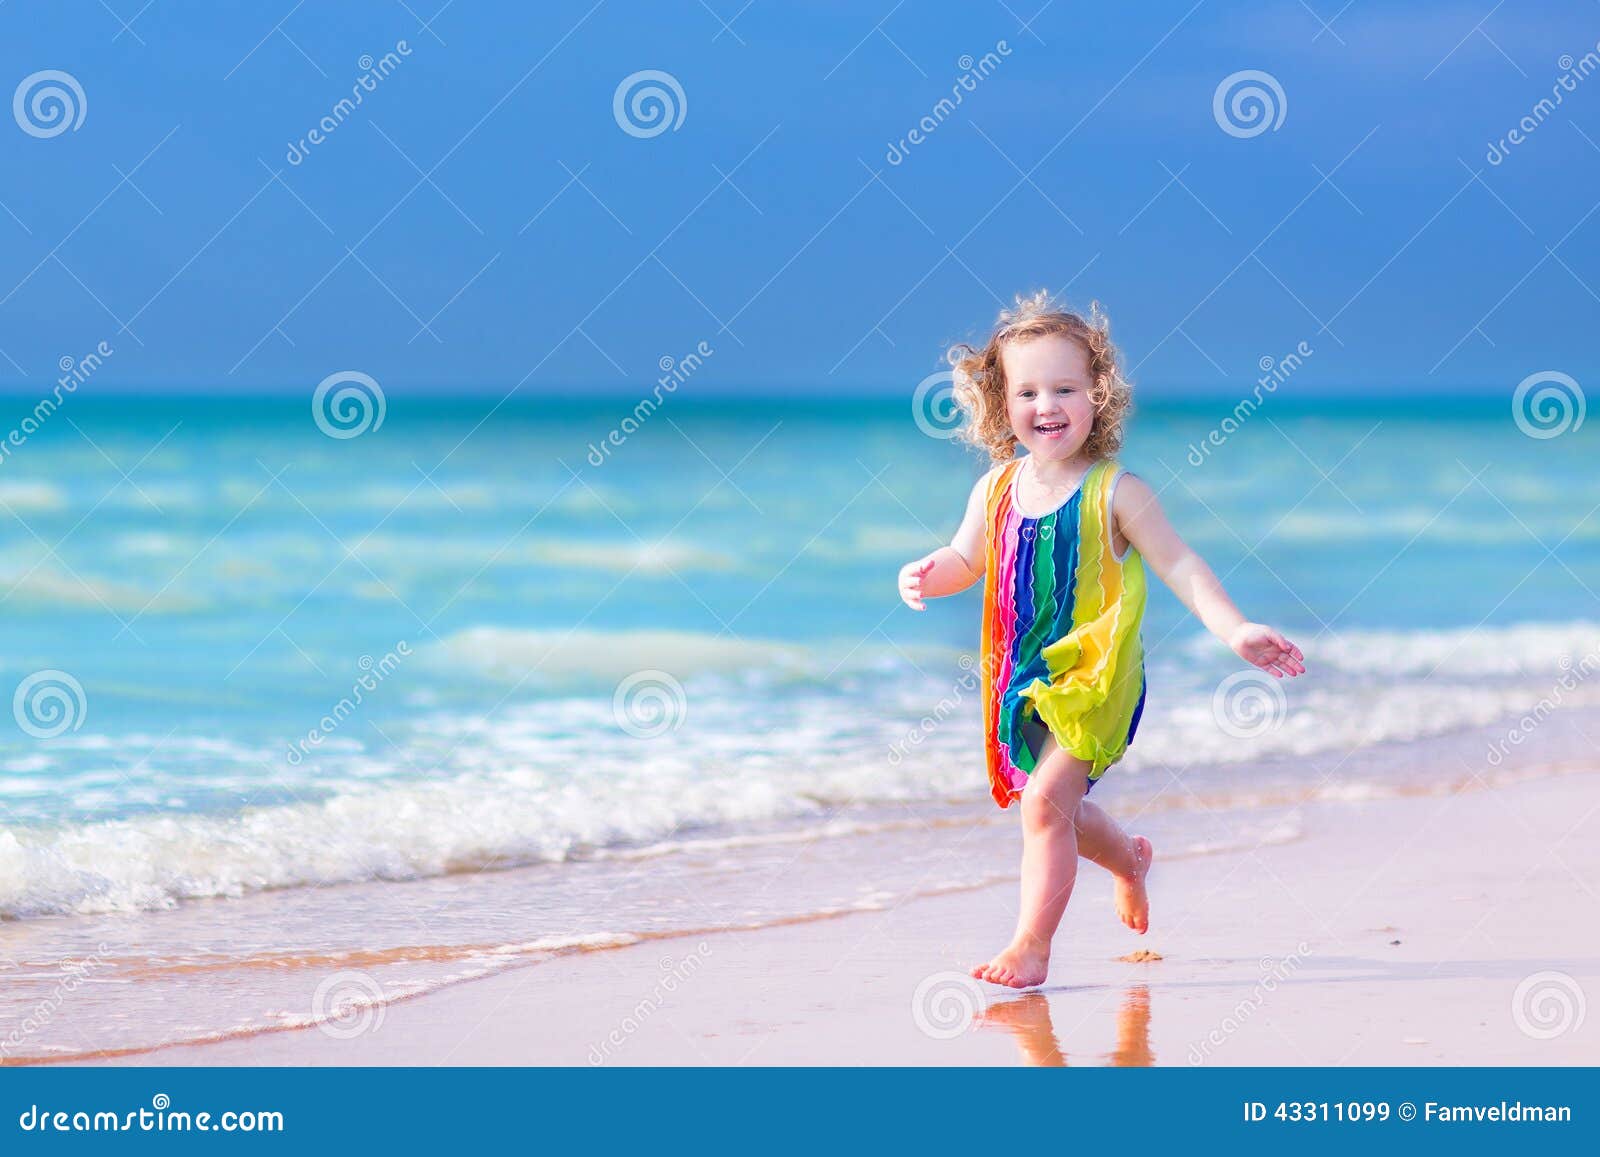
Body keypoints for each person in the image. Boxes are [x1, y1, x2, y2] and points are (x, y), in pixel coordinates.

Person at [897, 292, 1305, 989]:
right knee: (1056, 804)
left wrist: (1235, 628)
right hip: (1025, 673)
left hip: (1099, 673)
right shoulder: (995, 488)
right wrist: (928, 575)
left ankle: (1032, 945)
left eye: (1064, 387)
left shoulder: (1117, 491)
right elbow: (966, 560)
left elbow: (1179, 563)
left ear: (1098, 395)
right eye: (1027, 390)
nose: (1046, 403)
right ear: (1002, 403)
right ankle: (1130, 861)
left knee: (1043, 802)